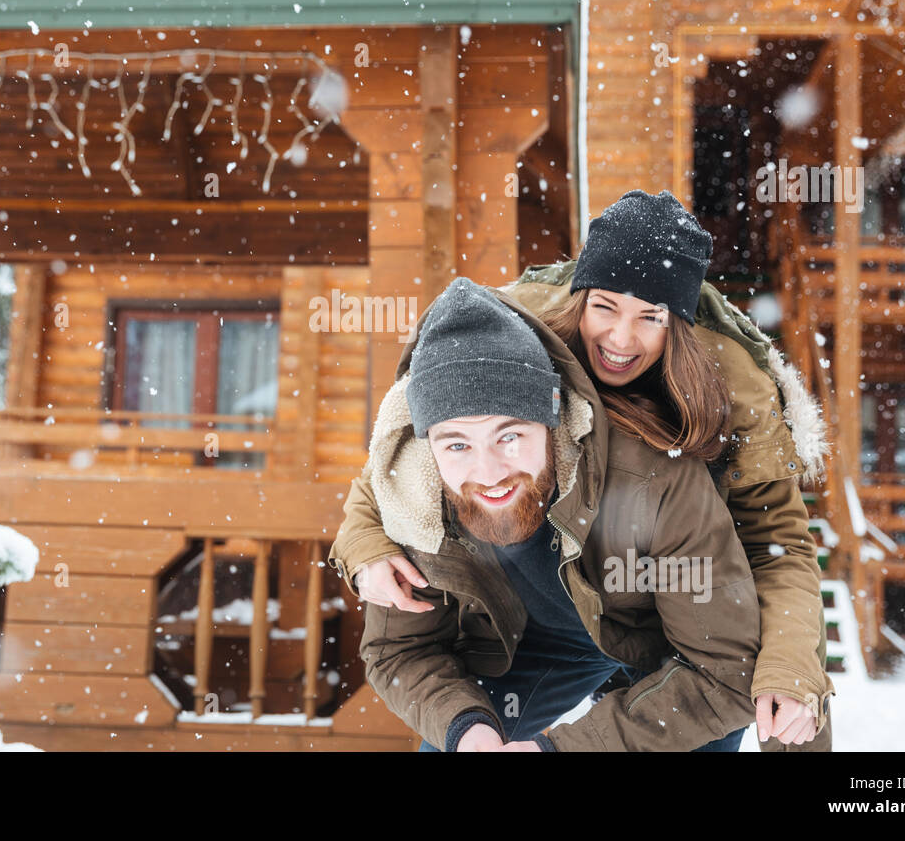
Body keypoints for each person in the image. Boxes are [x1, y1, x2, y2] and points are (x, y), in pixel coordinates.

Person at [331, 189, 834, 749]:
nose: (621, 338)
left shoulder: (727, 406)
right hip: (556, 619)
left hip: (685, 618)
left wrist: (789, 665)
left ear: (679, 325)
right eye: (605, 307)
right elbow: (396, 470)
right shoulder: (514, 353)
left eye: (651, 316)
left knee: (781, 715)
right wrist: (365, 548)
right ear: (580, 299)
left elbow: (778, 547)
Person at [355, 275, 760, 750]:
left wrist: (560, 750)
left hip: (666, 643)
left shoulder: (655, 480)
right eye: (458, 444)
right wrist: (466, 727)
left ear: (552, 422)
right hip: (543, 647)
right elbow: (399, 651)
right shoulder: (416, 495)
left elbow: (726, 674)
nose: (487, 473)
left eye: (510, 436)